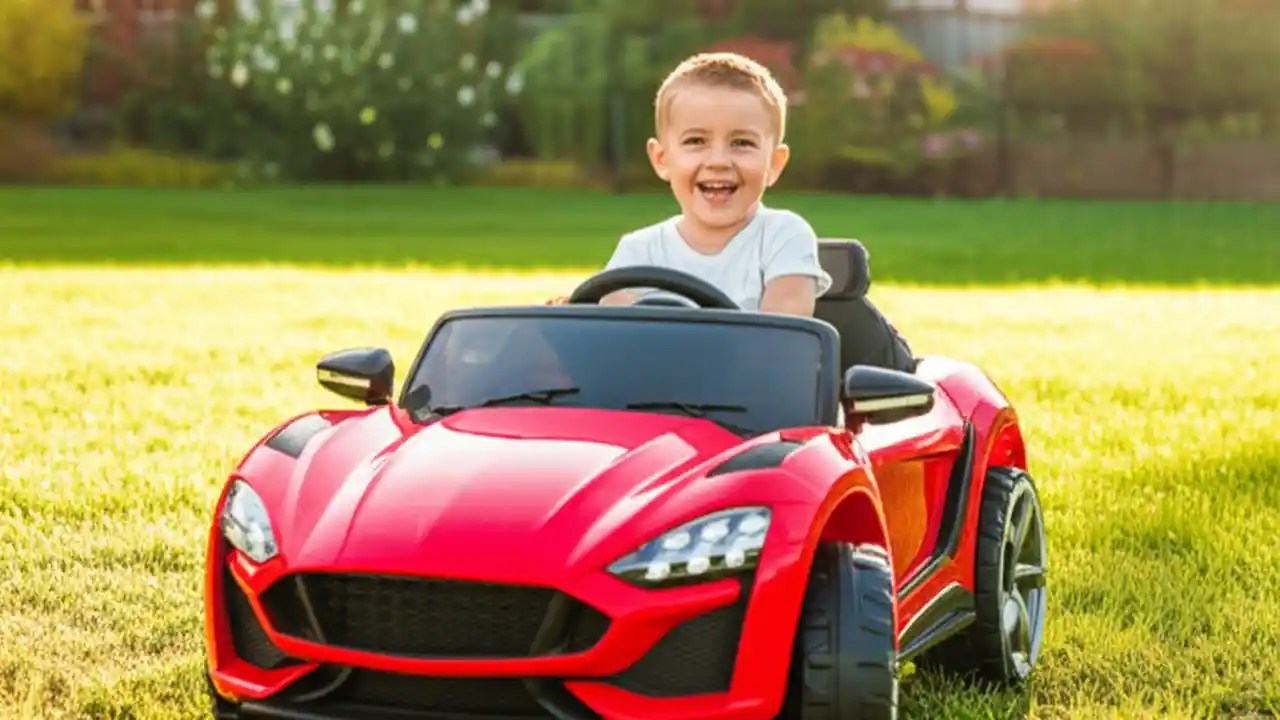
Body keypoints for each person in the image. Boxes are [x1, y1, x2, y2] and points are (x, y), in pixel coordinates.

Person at [551, 52, 831, 316]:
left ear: (774, 163)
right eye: (696, 141)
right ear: (661, 159)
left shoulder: (782, 237)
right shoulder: (638, 251)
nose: (718, 161)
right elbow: (612, 340)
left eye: (742, 143)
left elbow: (784, 338)